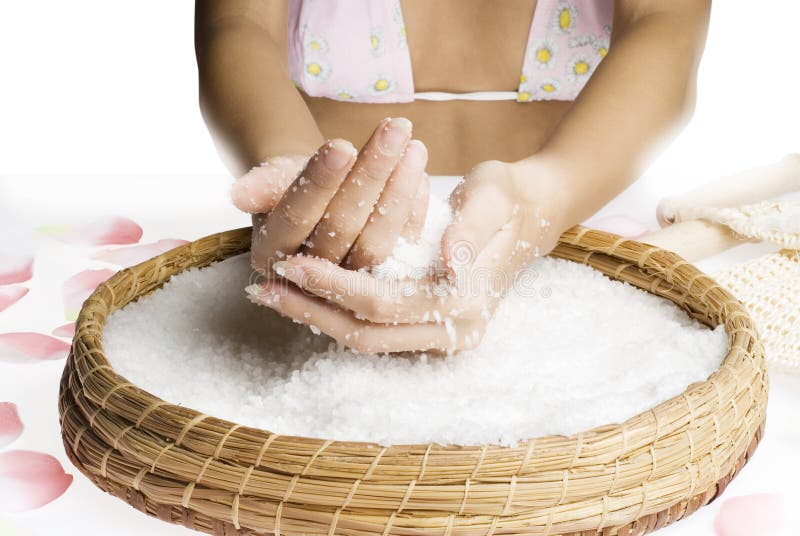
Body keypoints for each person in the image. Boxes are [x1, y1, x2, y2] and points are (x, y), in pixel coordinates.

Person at [195, 0, 711, 352]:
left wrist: (541, 202)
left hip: (585, 229)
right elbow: (238, 25)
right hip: (329, 243)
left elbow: (663, 22)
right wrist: (296, 178)